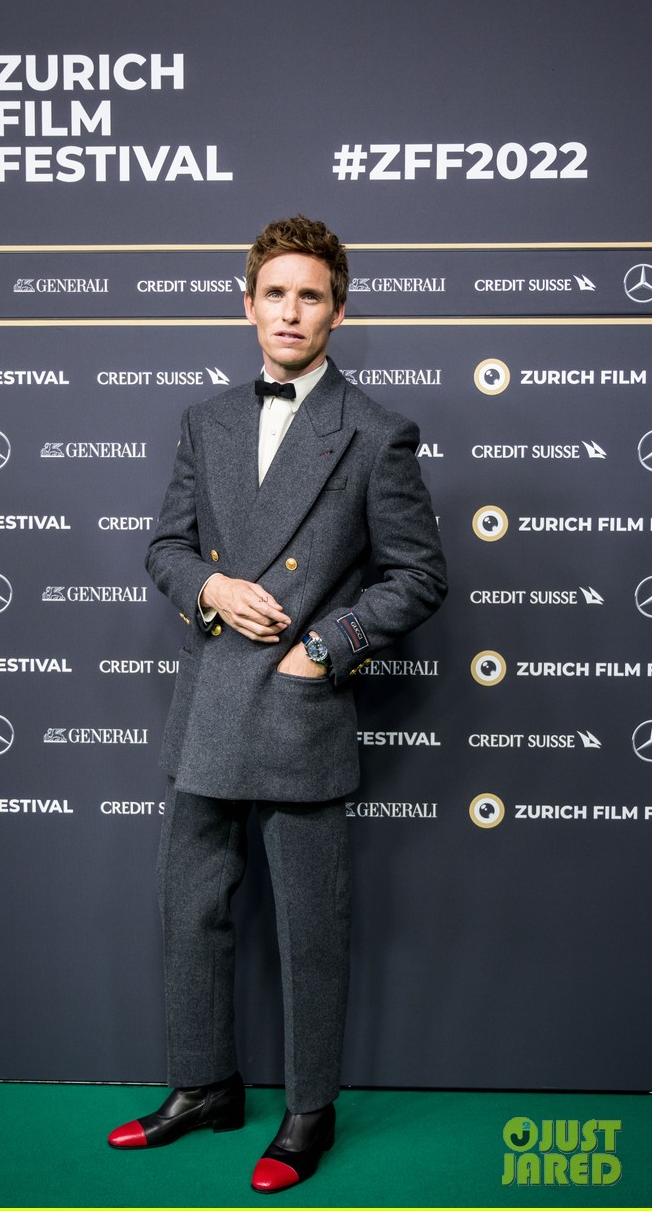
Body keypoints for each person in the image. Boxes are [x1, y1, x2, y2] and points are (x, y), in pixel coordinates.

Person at [107, 216, 447, 1192]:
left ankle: (308, 1112)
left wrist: (322, 648)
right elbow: (167, 546)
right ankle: (202, 1085)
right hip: (213, 700)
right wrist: (206, 588)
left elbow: (419, 577)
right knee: (190, 912)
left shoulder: (375, 431)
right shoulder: (203, 421)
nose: (289, 311)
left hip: (298, 707)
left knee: (310, 926)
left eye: (310, 295)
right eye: (274, 292)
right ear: (245, 303)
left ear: (337, 311)